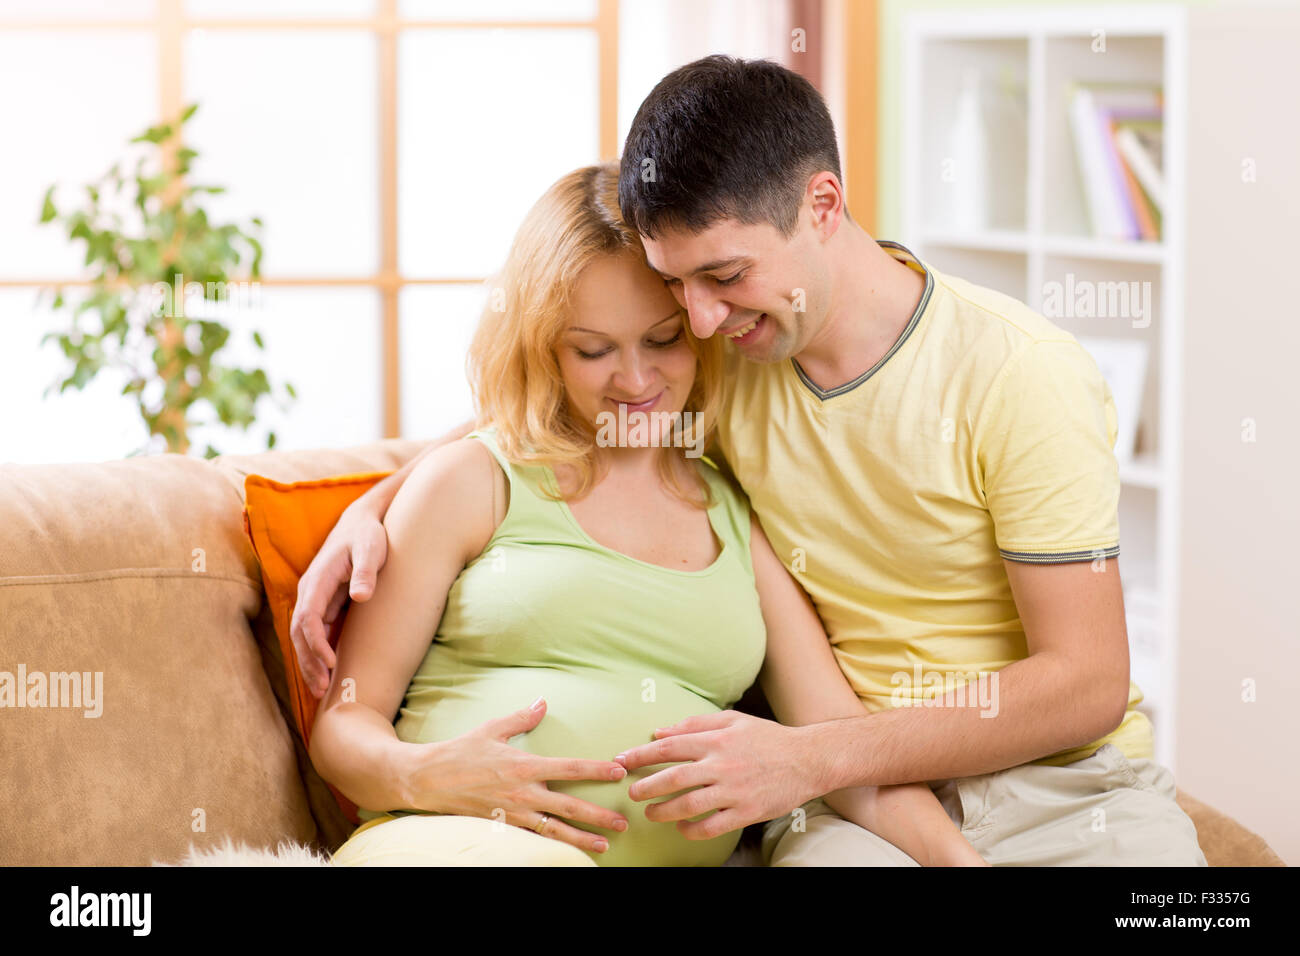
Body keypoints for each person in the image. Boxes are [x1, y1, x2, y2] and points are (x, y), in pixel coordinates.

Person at [298, 57, 1206, 867]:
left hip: (1044, 785)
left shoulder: (1018, 372)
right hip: (846, 806)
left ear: (822, 206)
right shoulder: (719, 355)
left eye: (723, 278)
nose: (695, 321)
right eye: (677, 286)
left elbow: (1084, 681)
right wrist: (374, 503)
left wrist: (811, 758)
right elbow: (544, 409)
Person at [307, 162, 989, 867]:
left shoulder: (733, 514)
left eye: (662, 341)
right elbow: (344, 721)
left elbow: (837, 750)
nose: (634, 382)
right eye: (593, 350)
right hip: (452, 843)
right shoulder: (475, 481)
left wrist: (960, 862)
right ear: (544, 348)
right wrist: (427, 775)